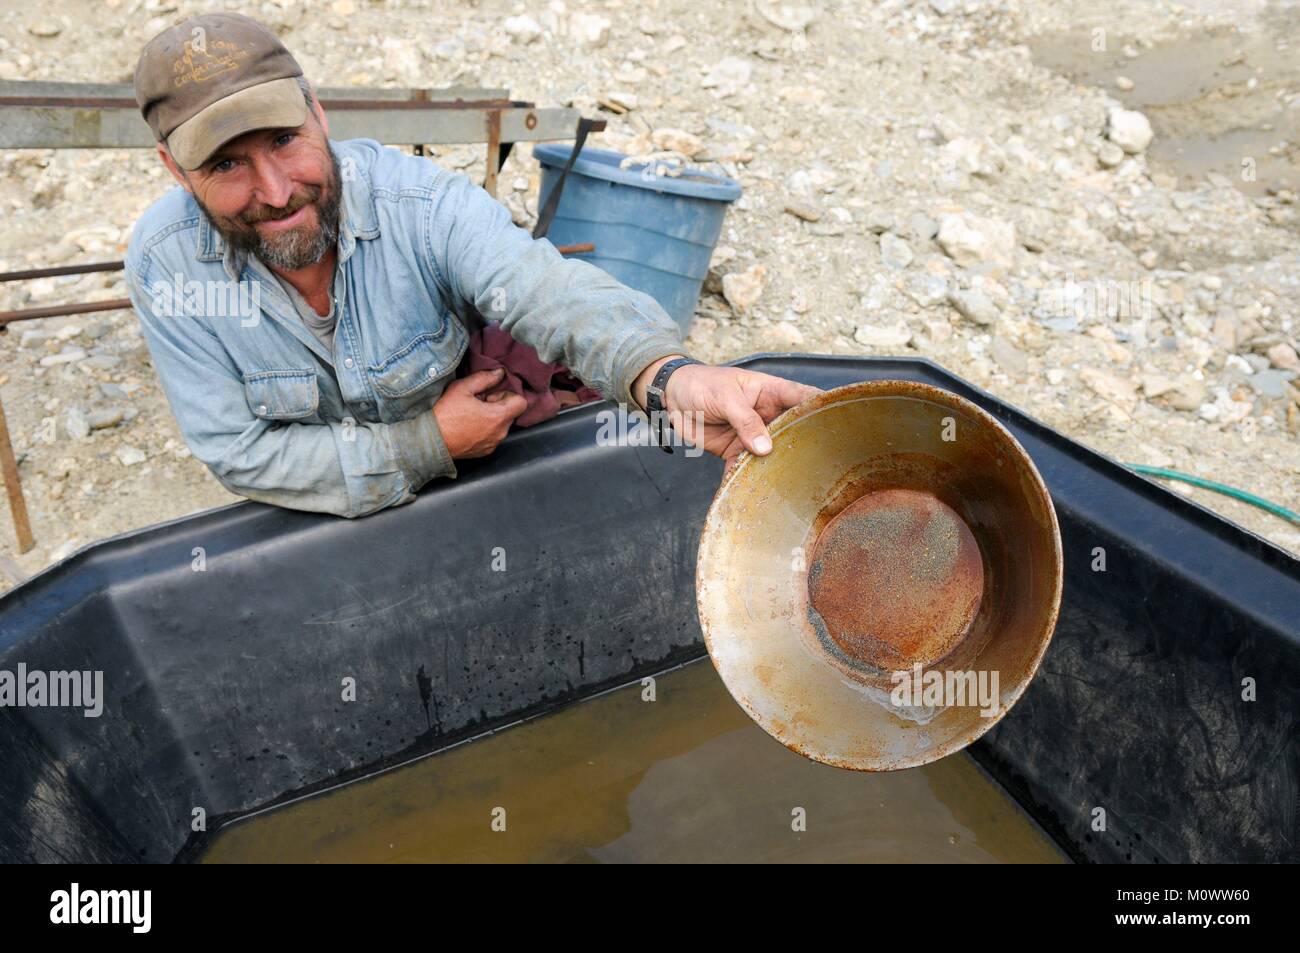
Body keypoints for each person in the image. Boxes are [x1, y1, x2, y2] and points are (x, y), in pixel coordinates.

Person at [125, 12, 821, 518]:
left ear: (320, 114)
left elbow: (542, 287)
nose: (276, 192)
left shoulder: (418, 204)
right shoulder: (168, 269)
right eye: (226, 164)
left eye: (284, 140)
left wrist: (669, 377)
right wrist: (424, 443)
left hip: (478, 489)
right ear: (175, 171)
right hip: (321, 526)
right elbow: (242, 453)